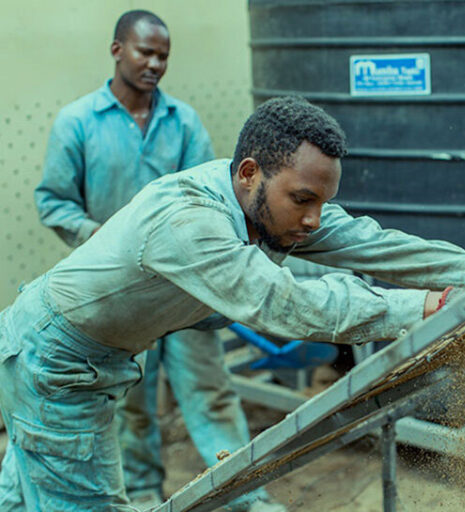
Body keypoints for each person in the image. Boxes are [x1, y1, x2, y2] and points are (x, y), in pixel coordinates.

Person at [0, 95, 465, 510]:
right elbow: (282, 302)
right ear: (249, 172)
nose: (313, 220)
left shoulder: (271, 205)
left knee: (21, 500)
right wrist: (430, 307)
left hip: (96, 354)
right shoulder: (190, 220)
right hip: (56, 362)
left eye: (322, 203)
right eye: (302, 200)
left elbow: (372, 243)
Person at [31, 10, 281, 511]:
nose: (154, 64)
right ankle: (144, 491)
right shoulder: (78, 123)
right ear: (117, 50)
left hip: (186, 289)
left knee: (211, 391)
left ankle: (245, 494)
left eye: (163, 56)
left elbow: (212, 199)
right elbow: (53, 201)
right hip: (120, 294)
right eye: (145, 52)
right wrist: (98, 236)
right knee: (132, 402)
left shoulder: (182, 122)